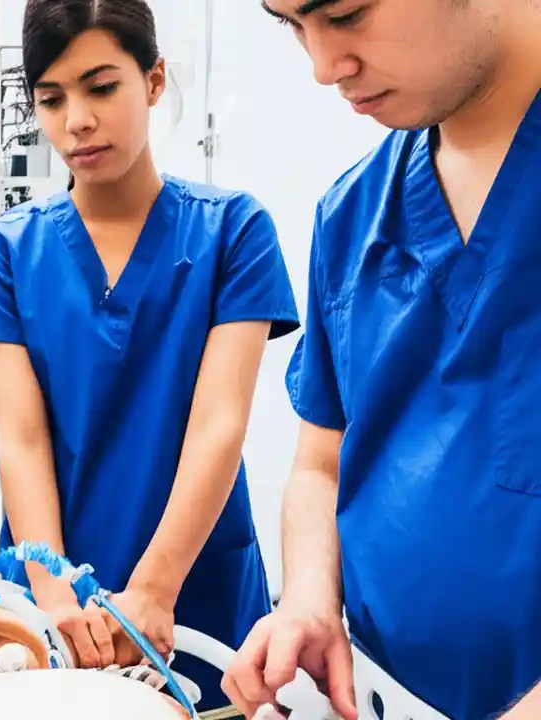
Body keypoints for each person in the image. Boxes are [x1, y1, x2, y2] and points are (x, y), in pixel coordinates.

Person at [0, 0, 300, 710]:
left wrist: (154, 589)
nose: (76, 120)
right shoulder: (6, 251)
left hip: (194, 586)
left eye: (101, 87)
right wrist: (52, 592)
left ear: (154, 80)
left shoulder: (234, 231)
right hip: (53, 601)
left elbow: (218, 425)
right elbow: (21, 437)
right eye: (51, 99)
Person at [222, 1, 541, 719]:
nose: (322, 67)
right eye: (290, 24)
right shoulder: (353, 217)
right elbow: (321, 465)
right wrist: (309, 599)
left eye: (345, 12)